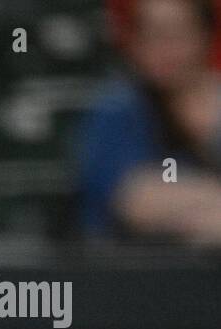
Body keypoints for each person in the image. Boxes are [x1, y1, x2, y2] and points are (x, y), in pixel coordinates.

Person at [79, 0, 221, 242]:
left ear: (203, 35)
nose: (164, 47)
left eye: (177, 33)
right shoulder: (118, 109)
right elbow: (136, 199)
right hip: (137, 270)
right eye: (151, 33)